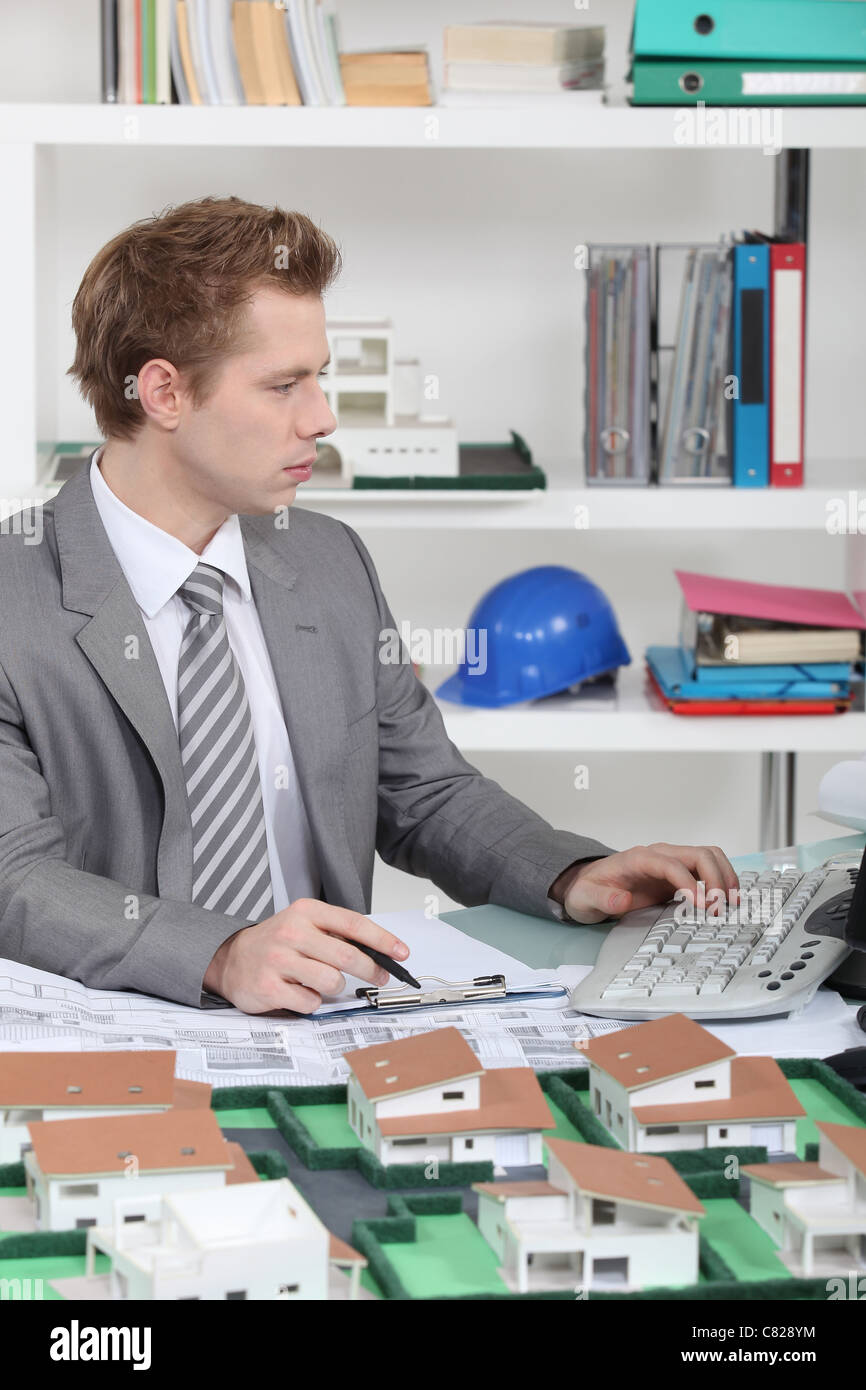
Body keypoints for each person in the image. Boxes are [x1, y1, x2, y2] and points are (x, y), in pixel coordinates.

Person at [0, 196, 738, 1014]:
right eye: (284, 385)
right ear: (165, 394)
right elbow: (14, 879)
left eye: (320, 378)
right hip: (127, 1033)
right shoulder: (13, 593)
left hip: (338, 1020)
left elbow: (421, 791)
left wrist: (568, 872)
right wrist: (220, 954)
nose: (321, 419)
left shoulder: (327, 559)